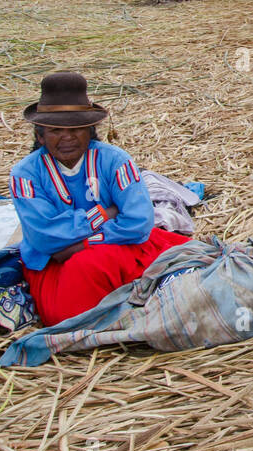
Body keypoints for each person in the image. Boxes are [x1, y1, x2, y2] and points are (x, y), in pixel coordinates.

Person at [10, 72, 189, 326]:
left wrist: (81, 244)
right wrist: (104, 213)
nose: (67, 138)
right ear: (40, 136)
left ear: (90, 131)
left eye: (77, 129)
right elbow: (44, 237)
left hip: (117, 247)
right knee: (63, 315)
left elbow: (138, 222)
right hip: (52, 262)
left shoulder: (115, 161)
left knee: (93, 265)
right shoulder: (25, 175)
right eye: (55, 130)